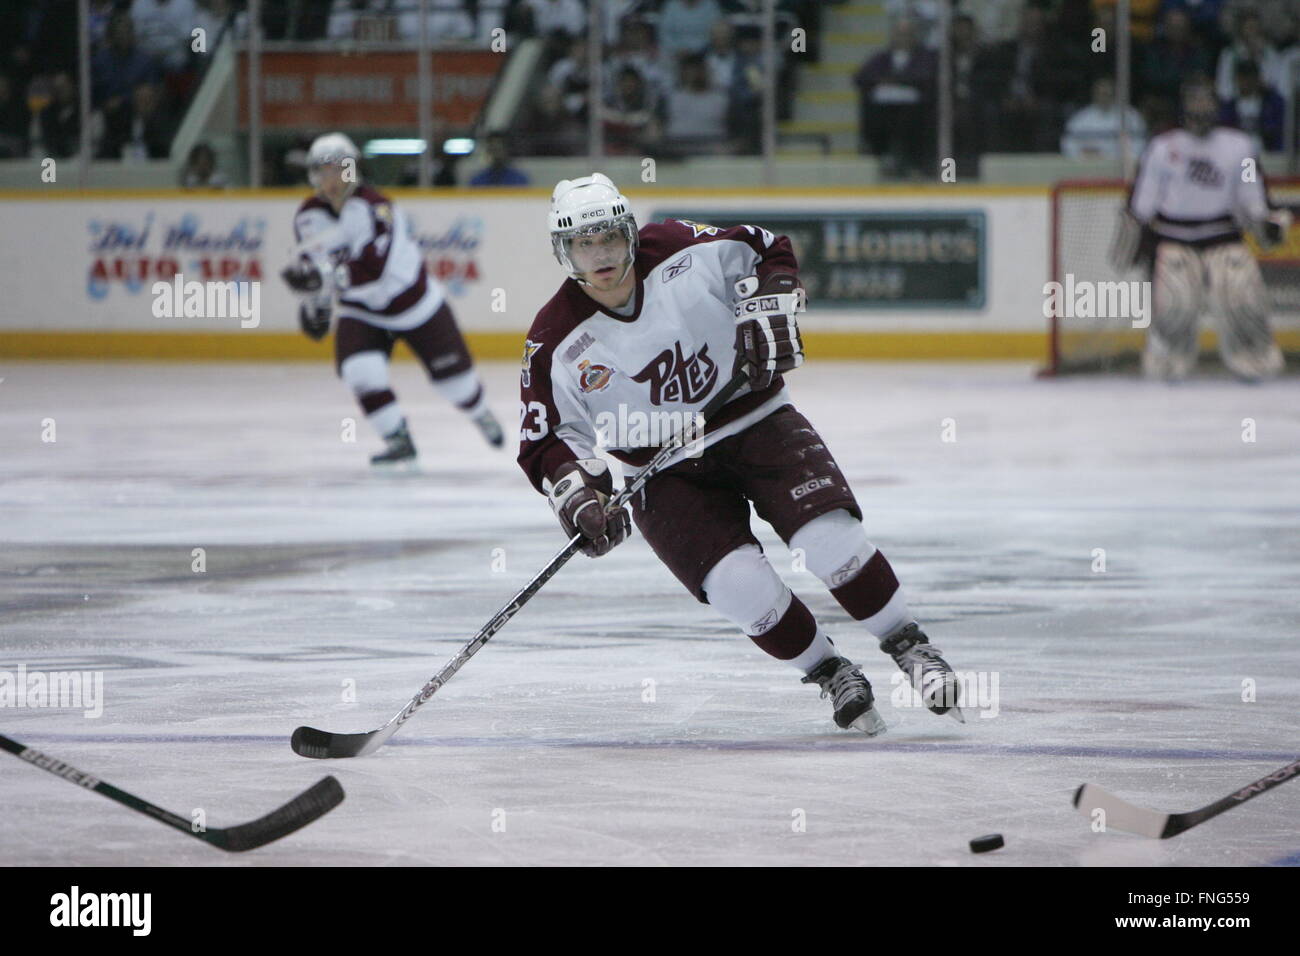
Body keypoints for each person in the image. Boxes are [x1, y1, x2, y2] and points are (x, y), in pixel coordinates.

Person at [516, 173, 964, 734]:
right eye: (584, 244)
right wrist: (580, 495)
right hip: (661, 472)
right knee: (737, 587)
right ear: (565, 252)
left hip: (754, 418)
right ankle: (830, 672)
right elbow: (546, 440)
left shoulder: (681, 246)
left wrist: (772, 302)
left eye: (608, 237)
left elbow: (766, 247)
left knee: (830, 541)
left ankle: (908, 644)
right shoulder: (554, 339)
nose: (601, 255)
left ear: (630, 233)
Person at [281, 132, 504, 467]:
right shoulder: (307, 216)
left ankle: (479, 411)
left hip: (415, 307)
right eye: (323, 170)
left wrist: (320, 279)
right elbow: (316, 267)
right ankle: (397, 438)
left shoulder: (377, 208)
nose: (330, 178)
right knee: (360, 372)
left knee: (456, 385)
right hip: (362, 310)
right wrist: (316, 303)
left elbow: (374, 268)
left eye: (337, 169)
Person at [1120, 78, 1289, 381]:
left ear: (1217, 104)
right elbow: (1143, 201)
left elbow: (1251, 194)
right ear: (1184, 106)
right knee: (1175, 307)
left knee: (1243, 301)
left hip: (1224, 237)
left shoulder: (1240, 146)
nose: (1201, 107)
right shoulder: (1162, 147)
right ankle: (1166, 361)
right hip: (1175, 239)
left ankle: (1255, 359)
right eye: (1195, 100)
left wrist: (1264, 219)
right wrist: (1134, 231)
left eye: (1206, 100)